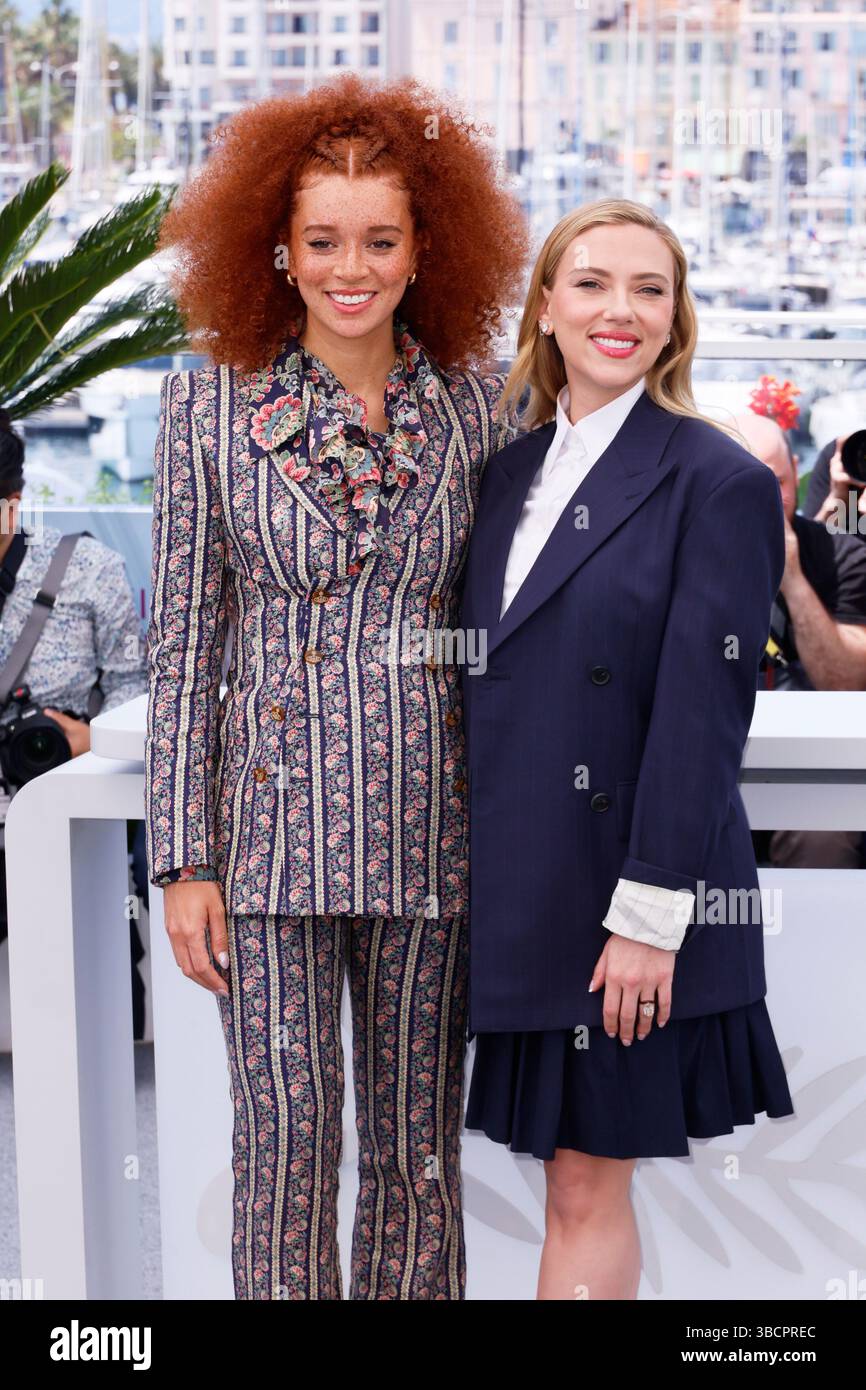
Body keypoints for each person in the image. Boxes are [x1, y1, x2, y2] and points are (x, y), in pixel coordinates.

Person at [143, 73, 528, 1300]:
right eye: (322, 240)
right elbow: (183, 643)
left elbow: (513, 617)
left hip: (435, 830)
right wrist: (182, 855)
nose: (348, 266)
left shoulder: (476, 404)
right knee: (287, 1149)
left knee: (417, 1160)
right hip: (261, 848)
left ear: (426, 248)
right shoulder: (206, 401)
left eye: (378, 238)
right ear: (278, 247)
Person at [459, 198, 795, 1301]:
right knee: (566, 1179)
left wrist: (649, 918)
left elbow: (705, 715)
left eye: (648, 289)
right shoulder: (502, 478)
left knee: (582, 1189)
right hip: (523, 892)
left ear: (674, 320)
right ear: (545, 306)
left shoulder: (718, 480)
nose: (620, 310)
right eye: (592, 283)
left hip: (629, 903)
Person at [0, 408, 148, 1023]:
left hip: (65, 824)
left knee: (100, 1006)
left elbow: (137, 692)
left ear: (13, 501)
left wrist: (92, 739)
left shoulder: (88, 571)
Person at [733, 409, 866, 871]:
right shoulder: (847, 455)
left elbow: (847, 683)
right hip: (715, 750)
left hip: (823, 752)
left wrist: (792, 576)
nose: (765, 501)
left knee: (823, 835)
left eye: (777, 483)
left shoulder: (839, 556)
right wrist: (844, 502)